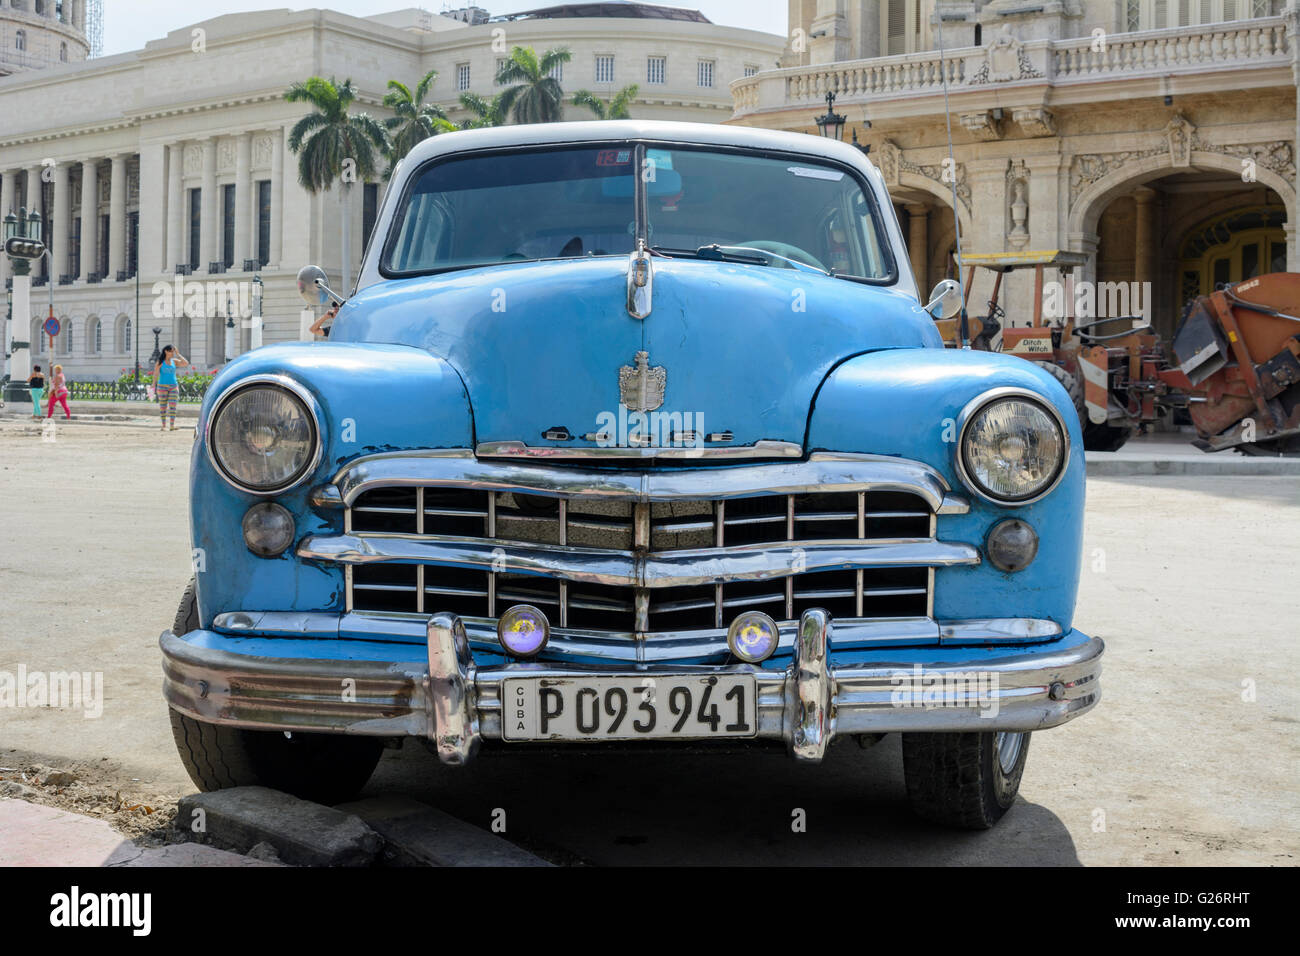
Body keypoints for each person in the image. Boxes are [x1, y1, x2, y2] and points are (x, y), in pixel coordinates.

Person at [152, 344, 189, 431]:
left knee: (173, 406)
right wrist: (153, 383)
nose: (173, 353)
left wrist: (178, 354)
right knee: (163, 406)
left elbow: (186, 363)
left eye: (173, 351)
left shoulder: (174, 361)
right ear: (166, 351)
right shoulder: (160, 362)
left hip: (173, 386)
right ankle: (163, 426)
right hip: (162, 387)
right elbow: (156, 373)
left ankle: (172, 425)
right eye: (171, 351)